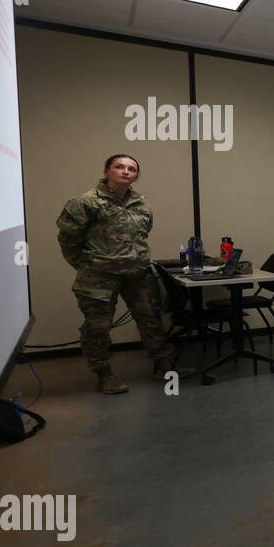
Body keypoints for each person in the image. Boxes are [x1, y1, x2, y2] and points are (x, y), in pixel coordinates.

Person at [57, 154, 193, 394]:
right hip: (99, 277)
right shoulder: (85, 202)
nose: (125, 171)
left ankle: (164, 367)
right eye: (119, 166)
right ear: (107, 171)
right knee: (97, 327)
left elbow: (142, 235)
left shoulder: (142, 204)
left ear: (136, 176)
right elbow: (68, 241)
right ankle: (104, 375)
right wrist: (88, 266)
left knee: (151, 319)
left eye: (131, 169)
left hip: (137, 274)